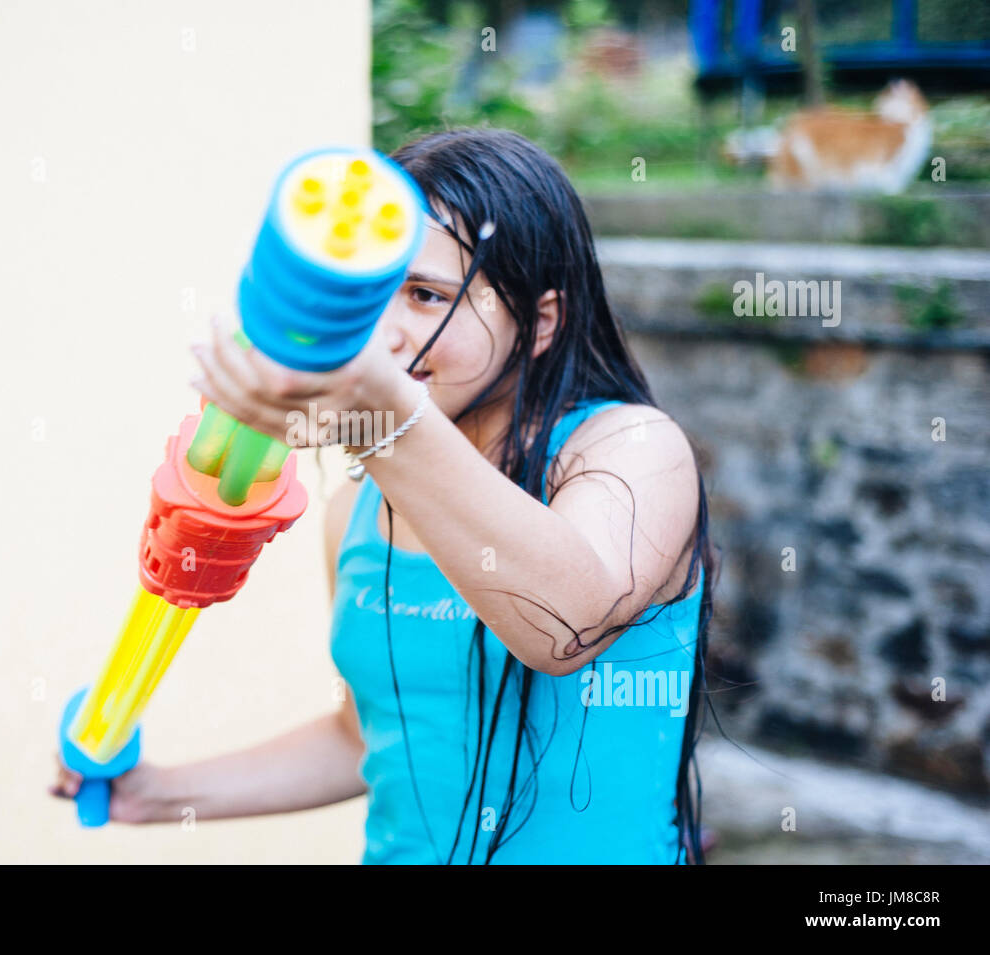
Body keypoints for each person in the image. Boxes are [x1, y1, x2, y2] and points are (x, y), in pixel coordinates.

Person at [51, 127, 719, 864]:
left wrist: (378, 413)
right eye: (373, 298)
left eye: (428, 295)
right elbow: (366, 737)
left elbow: (565, 626)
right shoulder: (355, 512)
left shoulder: (632, 450)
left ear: (542, 323)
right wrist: (160, 794)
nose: (386, 335)